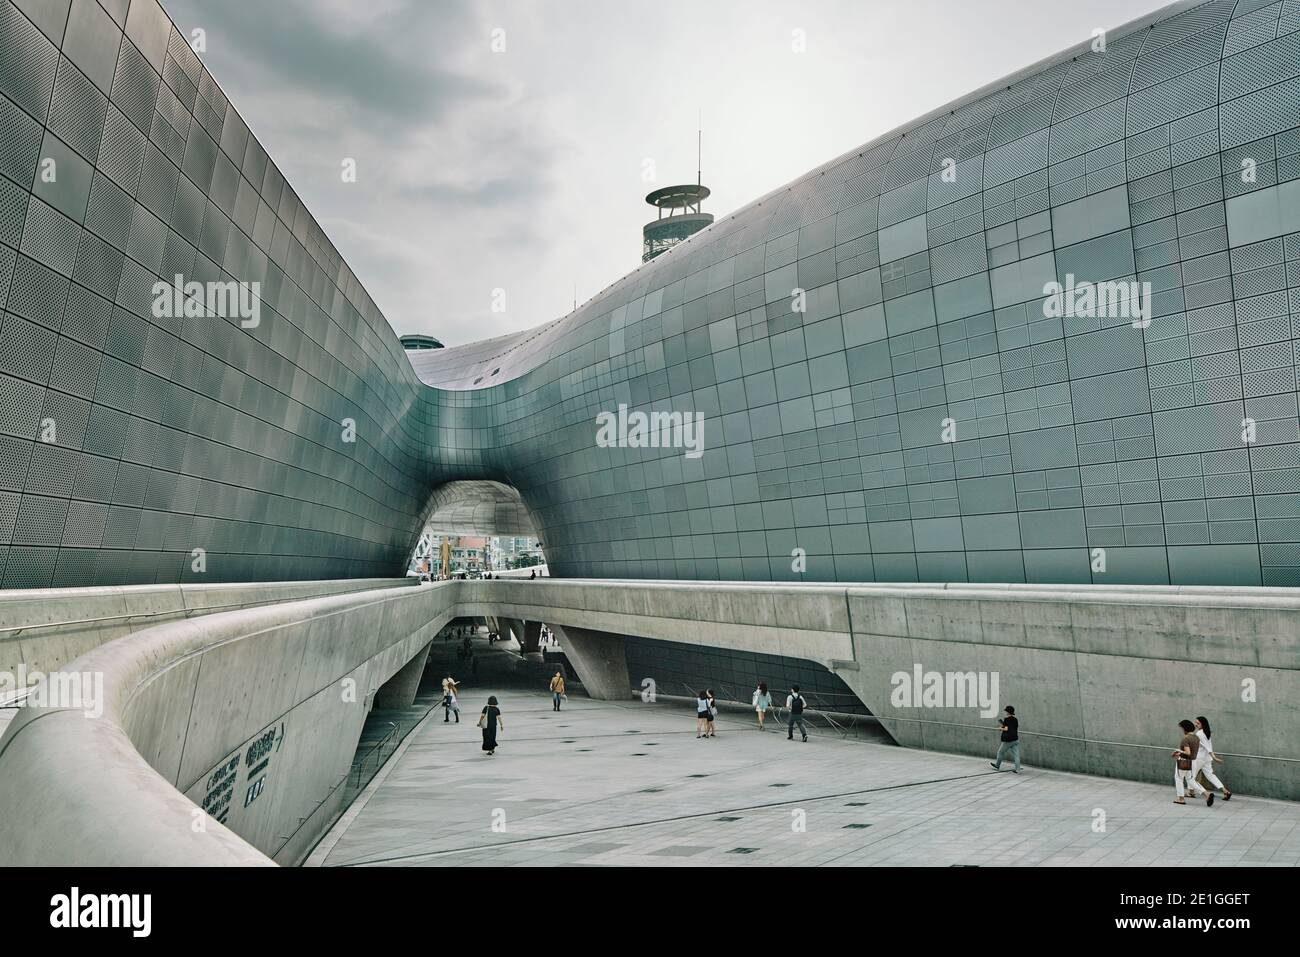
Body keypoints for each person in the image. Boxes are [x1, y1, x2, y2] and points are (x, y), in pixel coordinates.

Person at [1173, 719, 1211, 805]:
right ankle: (1207, 794)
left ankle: (1181, 799)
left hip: (1183, 761)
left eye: (1181, 728)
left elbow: (1188, 752)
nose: (1181, 730)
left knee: (1179, 778)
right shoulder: (1196, 738)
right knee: (1190, 780)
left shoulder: (1185, 739)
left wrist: (1178, 752)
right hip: (1193, 762)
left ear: (1185, 728)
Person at [1193, 716, 1230, 801]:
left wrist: (1214, 757)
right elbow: (1208, 746)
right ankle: (1225, 791)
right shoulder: (1206, 732)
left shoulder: (1199, 734)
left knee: (1191, 776)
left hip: (1199, 758)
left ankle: (1191, 792)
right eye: (1195, 722)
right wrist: (1212, 757)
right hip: (1207, 759)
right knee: (1211, 776)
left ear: (1203, 724)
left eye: (1198, 723)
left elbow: (1207, 747)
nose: (1195, 724)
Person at [990, 705, 1021, 773]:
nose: (1005, 712)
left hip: (1008, 740)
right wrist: (1004, 725)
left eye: (1006, 711)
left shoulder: (1006, 719)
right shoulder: (1015, 719)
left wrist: (1000, 728)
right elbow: (1013, 727)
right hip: (1015, 739)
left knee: (1000, 752)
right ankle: (1018, 769)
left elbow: (1006, 728)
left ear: (1008, 712)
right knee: (1016, 755)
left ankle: (997, 765)